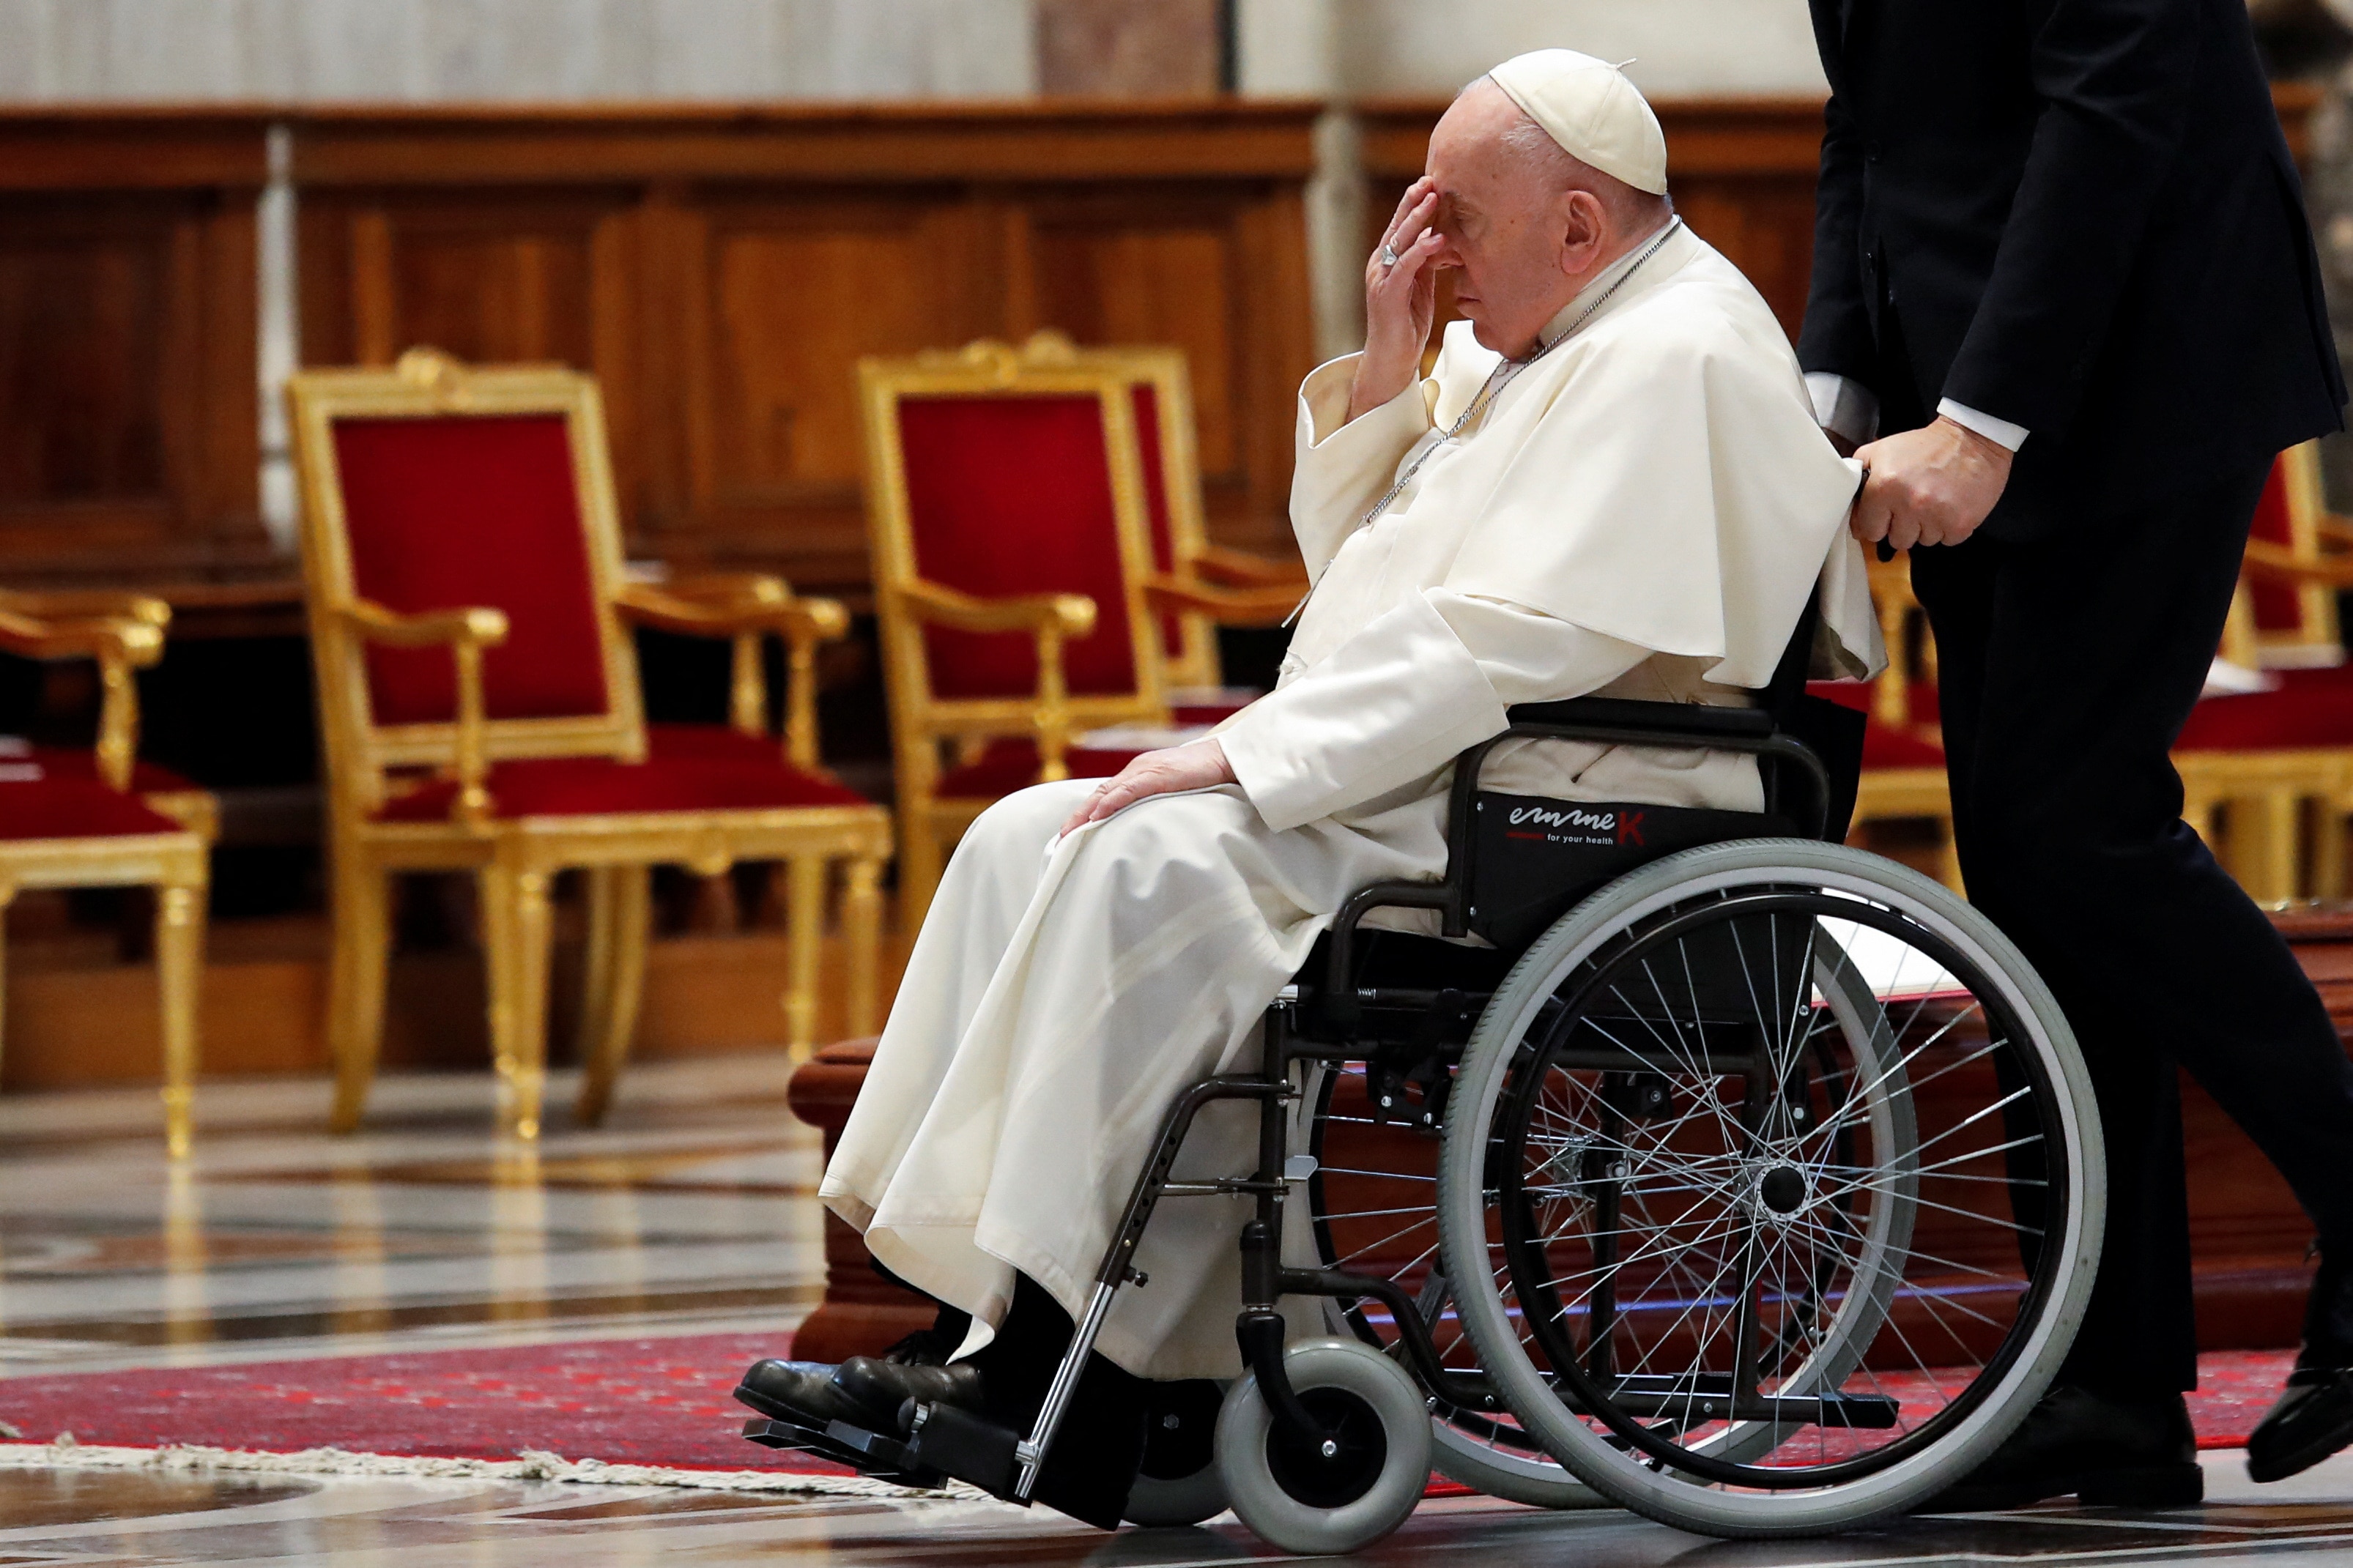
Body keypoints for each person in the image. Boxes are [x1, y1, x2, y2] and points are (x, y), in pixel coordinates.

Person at [737, 50, 1880, 1526]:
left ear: (1579, 227)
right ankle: (1030, 1331)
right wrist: (1395, 362)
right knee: (1034, 831)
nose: (1425, 249)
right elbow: (1379, 575)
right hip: (1482, 765)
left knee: (1155, 863)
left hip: (1577, 793)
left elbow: (1522, 636)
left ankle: (1059, 1378)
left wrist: (1248, 753)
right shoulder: (1572, 329)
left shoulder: (1681, 354)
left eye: (1454, 218)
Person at [1800, 0, 2353, 1510]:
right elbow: (1870, 117)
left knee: (2075, 833)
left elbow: (2114, 106)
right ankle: (2104, 1387)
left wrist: (1980, 424)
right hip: (1978, 375)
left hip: (2135, 364)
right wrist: (1831, 395)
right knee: (2035, 887)